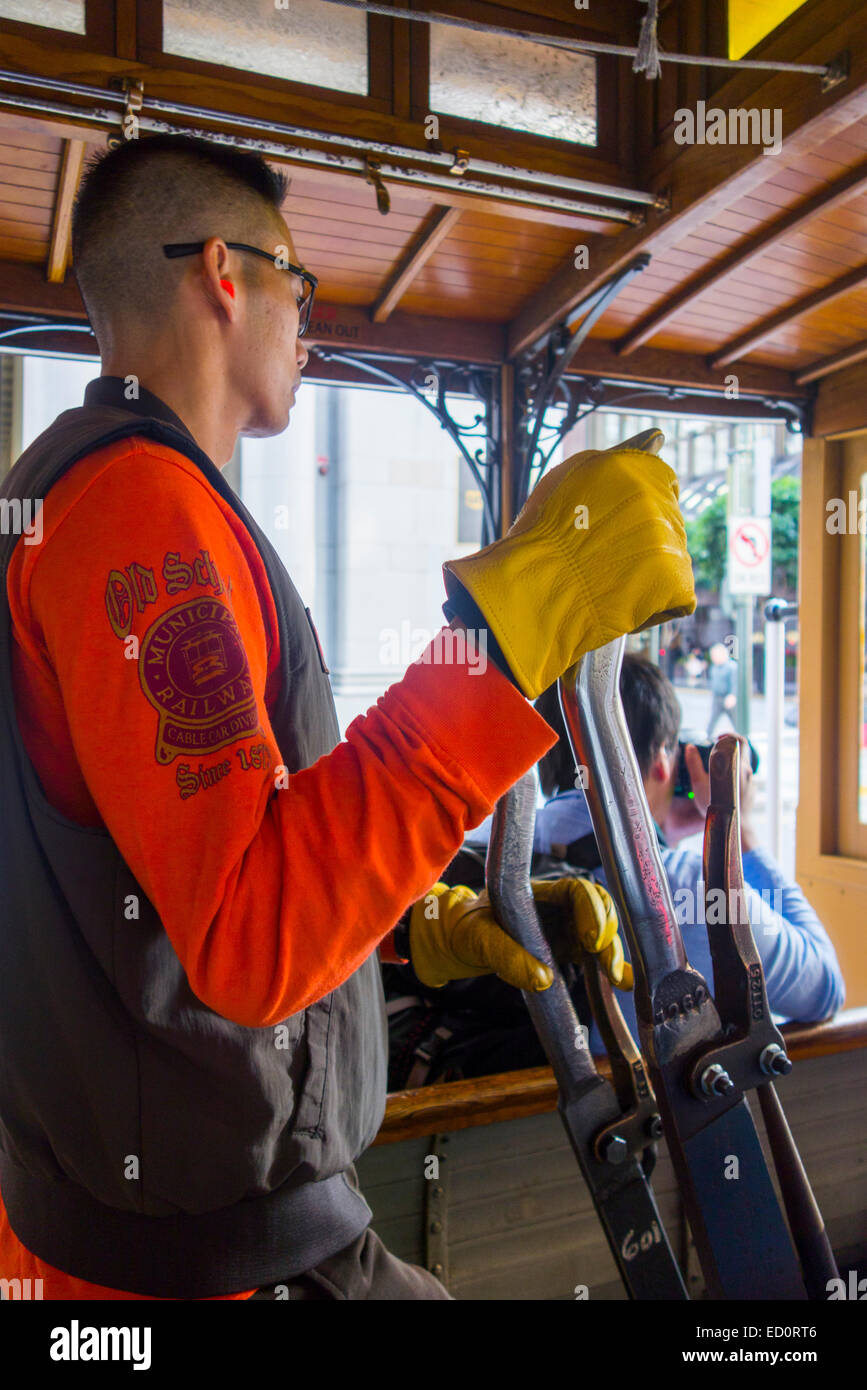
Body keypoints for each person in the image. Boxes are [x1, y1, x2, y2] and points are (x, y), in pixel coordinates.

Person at [0, 134, 694, 1300]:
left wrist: (413, 930)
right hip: (209, 1265)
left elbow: (167, 887)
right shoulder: (138, 515)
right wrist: (505, 637)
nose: (309, 319)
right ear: (225, 273)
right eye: (298, 282)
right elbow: (247, 930)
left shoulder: (83, 498)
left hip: (159, 1235)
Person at [525, 656, 845, 1046]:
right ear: (662, 760)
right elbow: (825, 987)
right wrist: (736, 830)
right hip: (648, 1108)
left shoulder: (499, 857)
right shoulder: (688, 887)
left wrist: (659, 834)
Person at [706, 639, 738, 736]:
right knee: (712, 721)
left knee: (736, 722)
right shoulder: (714, 667)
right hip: (717, 698)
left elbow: (735, 683)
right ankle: (708, 737)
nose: (713, 658)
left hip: (728, 698)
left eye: (715, 655)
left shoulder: (732, 667)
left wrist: (732, 696)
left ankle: (742, 739)